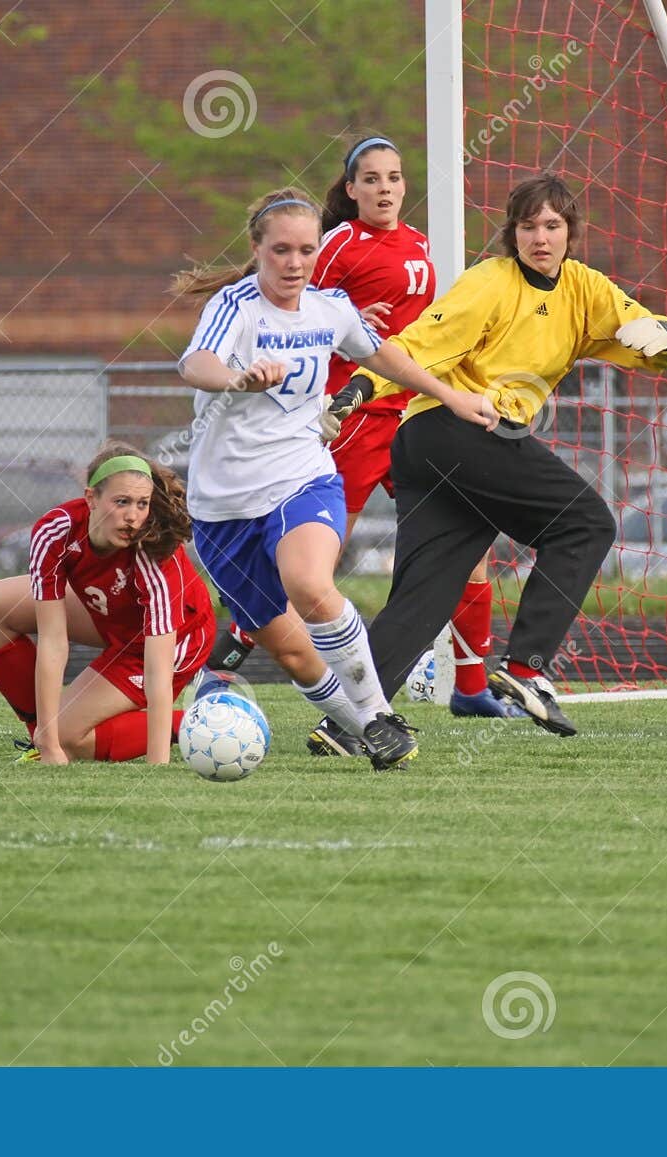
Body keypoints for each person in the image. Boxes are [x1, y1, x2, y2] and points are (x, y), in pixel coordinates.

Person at [173, 187, 497, 772]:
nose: (294, 263)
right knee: (297, 656)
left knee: (310, 583)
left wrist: (452, 395)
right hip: (222, 507)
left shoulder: (331, 309)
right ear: (258, 248)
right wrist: (237, 379)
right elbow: (196, 364)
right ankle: (375, 735)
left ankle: (376, 714)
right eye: (281, 251)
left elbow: (387, 358)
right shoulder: (235, 307)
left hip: (303, 476)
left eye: (306, 250)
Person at [354, 172, 667, 736]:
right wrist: (358, 387)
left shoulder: (585, 288)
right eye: (528, 226)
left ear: (570, 232)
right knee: (585, 524)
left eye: (552, 225)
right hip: (455, 431)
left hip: (436, 451)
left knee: (426, 592)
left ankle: (352, 720)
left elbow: (645, 335)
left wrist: (665, 336)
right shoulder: (491, 281)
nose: (540, 237)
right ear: (513, 233)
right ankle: (527, 669)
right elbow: (417, 346)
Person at [0, 443, 213, 765]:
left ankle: (199, 722)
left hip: (175, 637)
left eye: (142, 504)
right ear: (90, 499)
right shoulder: (55, 531)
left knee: (70, 738)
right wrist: (48, 745)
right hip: (112, 611)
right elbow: (52, 640)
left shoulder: (153, 556)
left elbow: (157, 673)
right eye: (121, 502)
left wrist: (158, 767)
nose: (133, 517)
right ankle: (41, 738)